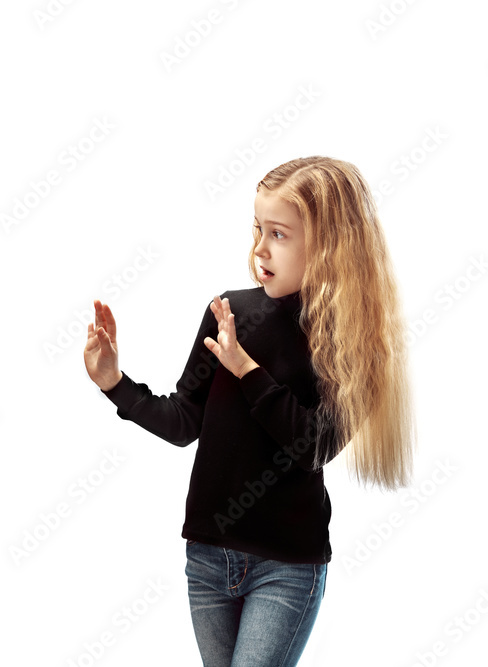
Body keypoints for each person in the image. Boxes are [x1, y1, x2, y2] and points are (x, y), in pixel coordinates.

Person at [83, 156, 414, 666]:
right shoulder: (229, 313)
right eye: (258, 228)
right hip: (207, 557)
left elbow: (313, 446)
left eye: (278, 234)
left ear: (330, 245)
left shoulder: (357, 345)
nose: (259, 247)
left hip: (286, 567)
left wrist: (246, 369)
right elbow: (184, 422)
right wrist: (114, 383)